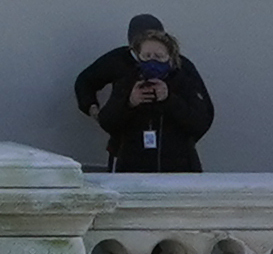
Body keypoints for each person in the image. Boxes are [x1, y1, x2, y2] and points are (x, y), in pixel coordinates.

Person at [76, 17, 217, 172]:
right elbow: (88, 87)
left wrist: (169, 99)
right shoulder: (123, 71)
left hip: (179, 165)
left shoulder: (184, 73)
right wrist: (124, 104)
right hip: (130, 164)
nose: (152, 61)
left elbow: (203, 119)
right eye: (146, 55)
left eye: (159, 56)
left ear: (170, 55)